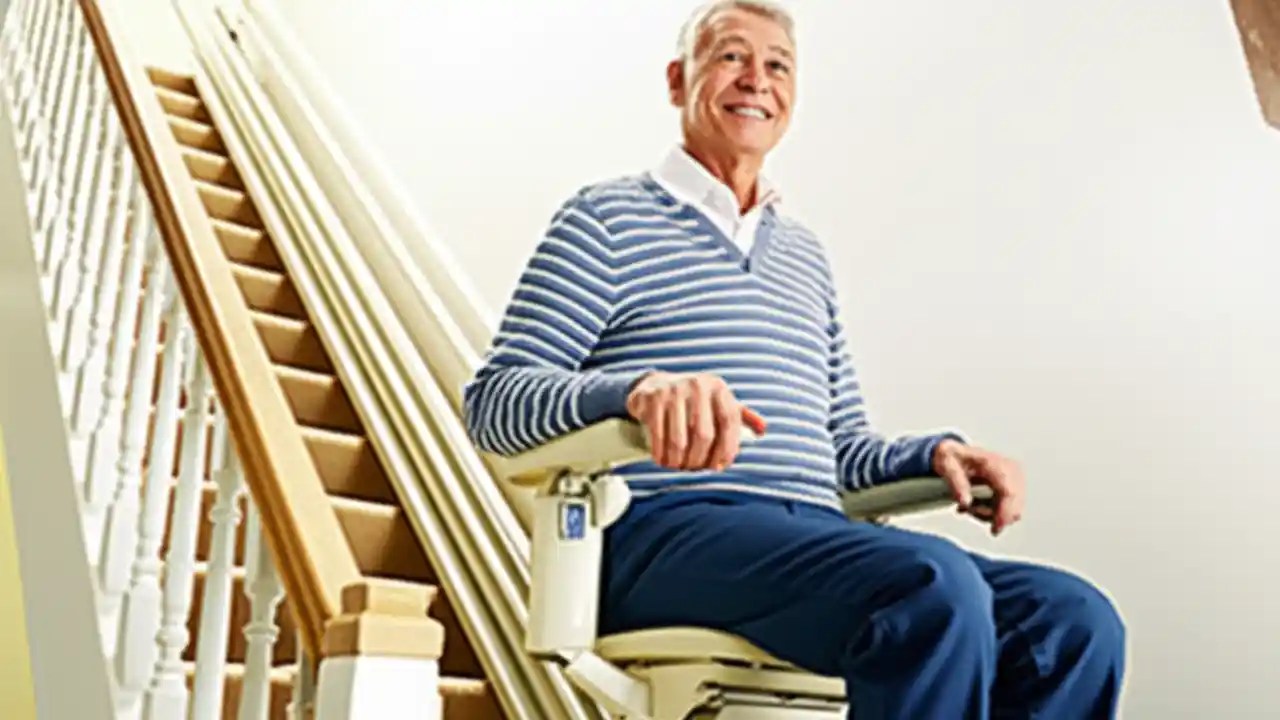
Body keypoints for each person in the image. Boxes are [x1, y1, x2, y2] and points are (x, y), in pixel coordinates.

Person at [462, 1, 1126, 717]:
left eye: (777, 64)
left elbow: (838, 451)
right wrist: (634, 393)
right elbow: (496, 402)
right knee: (931, 585)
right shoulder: (604, 220)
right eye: (731, 57)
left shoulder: (803, 256)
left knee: (1073, 621)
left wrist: (936, 455)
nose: (757, 79)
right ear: (678, 79)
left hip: (810, 535)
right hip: (665, 530)